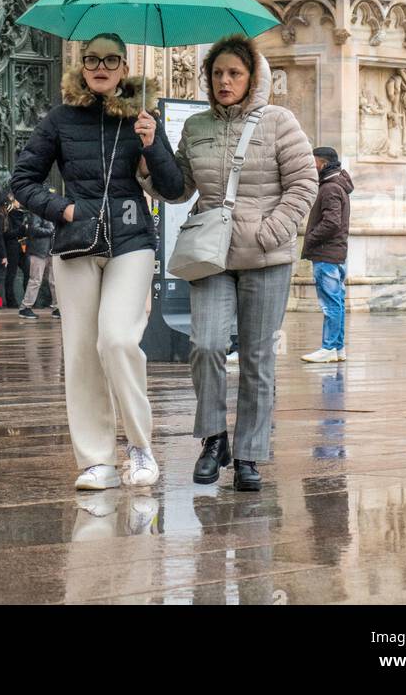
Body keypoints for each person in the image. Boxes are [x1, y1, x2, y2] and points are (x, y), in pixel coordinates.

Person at [11, 33, 185, 490]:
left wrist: (152, 142)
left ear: (125, 69)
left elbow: (171, 187)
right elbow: (22, 180)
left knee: (117, 341)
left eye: (111, 60)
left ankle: (142, 447)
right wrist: (61, 208)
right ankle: (96, 460)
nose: (101, 67)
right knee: (82, 353)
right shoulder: (60, 119)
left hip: (131, 240)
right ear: (81, 67)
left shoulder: (143, 118)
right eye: (92, 60)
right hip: (76, 244)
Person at [157, 34, 317, 492]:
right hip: (211, 254)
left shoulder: (278, 122)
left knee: (257, 355)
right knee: (205, 344)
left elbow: (305, 183)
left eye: (234, 73)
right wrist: (150, 153)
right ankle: (213, 438)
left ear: (252, 78)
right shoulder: (197, 126)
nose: (224, 81)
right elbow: (178, 188)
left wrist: (270, 232)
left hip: (266, 256)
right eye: (217, 73)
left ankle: (249, 454)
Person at [300, 146, 353, 363]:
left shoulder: (330, 188)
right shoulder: (337, 185)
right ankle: (337, 347)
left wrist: (310, 237)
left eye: (313, 162)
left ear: (322, 163)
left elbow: (332, 222)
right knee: (337, 301)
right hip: (336, 253)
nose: (311, 167)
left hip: (326, 254)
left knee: (331, 303)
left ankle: (329, 347)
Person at [18, 202, 60, 321]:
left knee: (54, 281)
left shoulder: (52, 214)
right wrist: (51, 231)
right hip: (39, 251)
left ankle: (57, 308)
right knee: (35, 280)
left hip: (50, 251)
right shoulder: (37, 212)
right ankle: (25, 307)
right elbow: (34, 230)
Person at [4, 197, 31, 309]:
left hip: (23, 245)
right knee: (11, 273)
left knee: (28, 272)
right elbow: (6, 234)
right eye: (17, 200)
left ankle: (28, 300)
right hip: (12, 247)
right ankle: (11, 301)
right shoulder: (8, 214)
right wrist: (21, 230)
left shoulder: (22, 214)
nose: (19, 202)